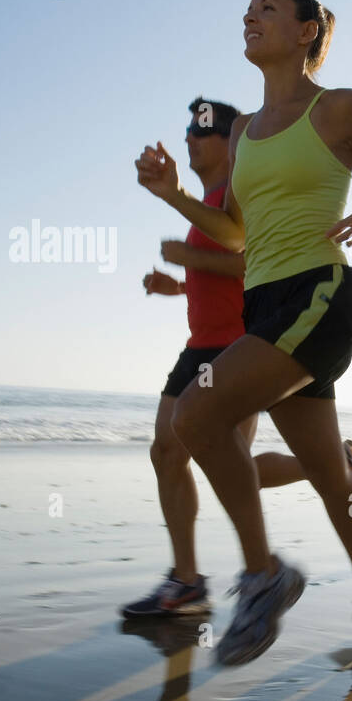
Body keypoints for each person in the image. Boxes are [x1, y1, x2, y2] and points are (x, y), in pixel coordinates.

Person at [134, 0, 352, 668]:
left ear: (305, 31)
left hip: (320, 294)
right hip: (265, 305)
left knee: (194, 417)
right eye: (247, 7)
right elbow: (234, 235)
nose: (249, 16)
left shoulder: (338, 108)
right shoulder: (240, 132)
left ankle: (263, 575)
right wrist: (173, 194)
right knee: (328, 475)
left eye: (266, 8)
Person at [123, 97, 252, 618]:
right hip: (199, 345)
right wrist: (176, 285)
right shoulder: (205, 203)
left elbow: (250, 259)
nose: (189, 140)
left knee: (229, 467)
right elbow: (217, 273)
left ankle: (336, 473)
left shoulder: (240, 193)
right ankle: (187, 581)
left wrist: (188, 255)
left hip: (239, 344)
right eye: (187, 131)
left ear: (229, 140)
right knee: (166, 451)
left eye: (201, 131)